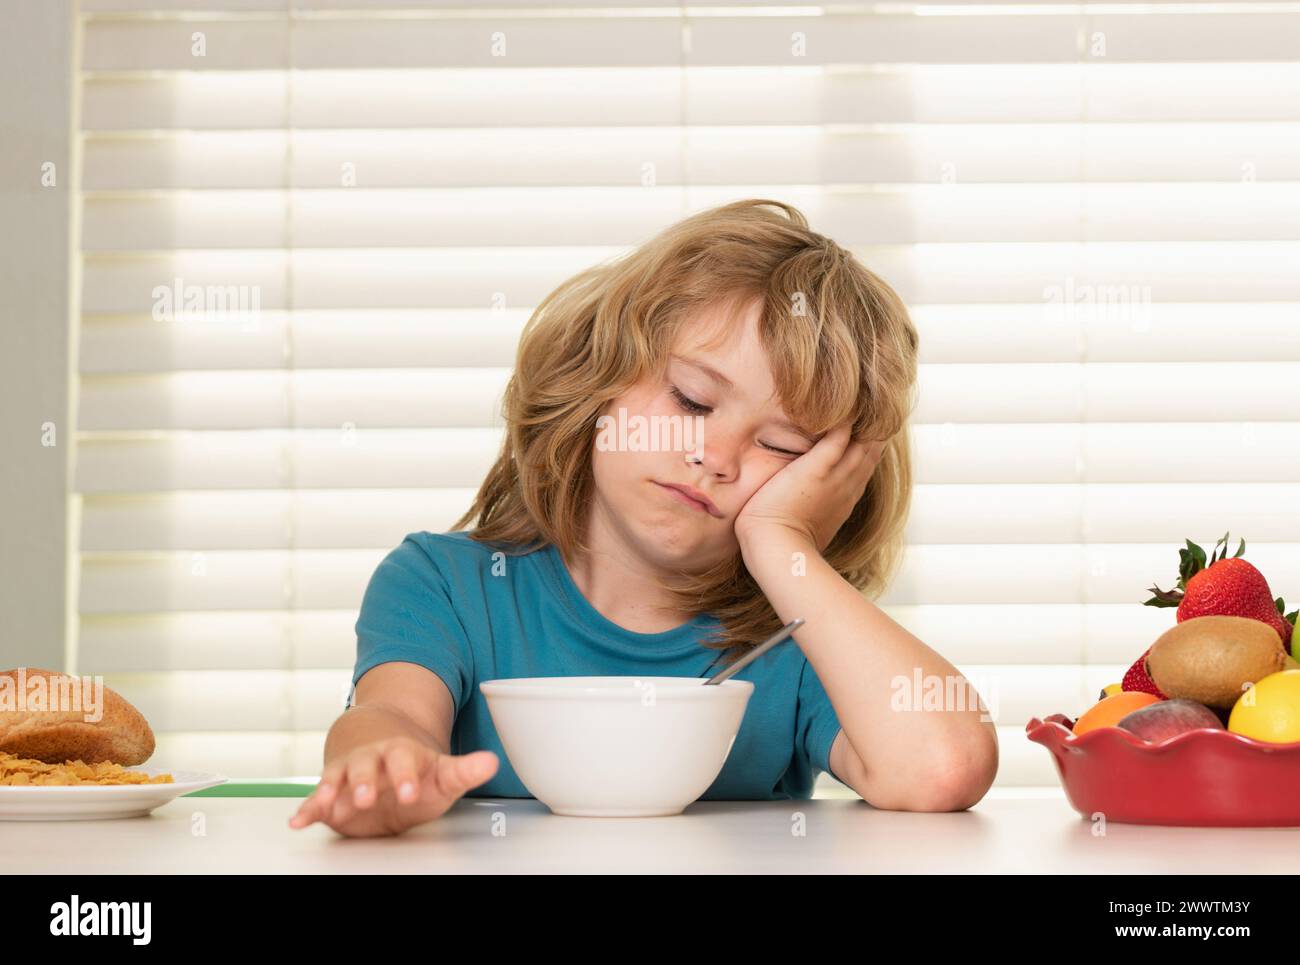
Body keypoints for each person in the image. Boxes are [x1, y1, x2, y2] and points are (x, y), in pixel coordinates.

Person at [289, 199, 998, 837]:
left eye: (780, 447)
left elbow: (941, 767)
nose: (716, 456)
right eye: (692, 400)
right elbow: (391, 719)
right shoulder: (445, 584)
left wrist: (784, 545)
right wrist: (379, 767)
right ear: (598, 374)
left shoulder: (798, 638)